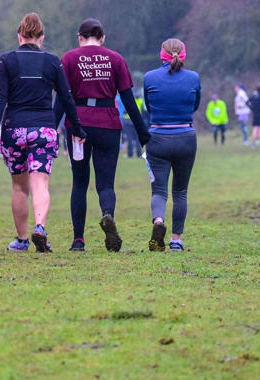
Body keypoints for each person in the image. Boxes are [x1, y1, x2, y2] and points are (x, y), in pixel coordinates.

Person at [0, 12, 86, 253]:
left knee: (20, 187)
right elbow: (66, 97)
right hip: (44, 128)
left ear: (19, 35)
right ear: (42, 37)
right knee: (41, 183)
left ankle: (21, 240)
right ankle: (40, 227)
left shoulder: (6, 60)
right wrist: (77, 126)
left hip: (14, 130)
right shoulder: (52, 61)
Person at [55, 18, 149, 252]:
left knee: (79, 182)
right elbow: (128, 99)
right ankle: (107, 214)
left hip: (78, 125)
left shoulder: (68, 59)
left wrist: (49, 127)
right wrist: (142, 133)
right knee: (106, 184)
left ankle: (78, 240)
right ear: (103, 37)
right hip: (108, 123)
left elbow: (62, 99)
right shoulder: (116, 59)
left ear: (79, 37)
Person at [143, 38, 200, 252]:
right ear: (183, 55)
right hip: (185, 136)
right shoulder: (193, 78)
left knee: (159, 190)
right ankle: (176, 240)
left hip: (157, 136)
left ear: (162, 55)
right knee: (180, 192)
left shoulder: (149, 77)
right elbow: (195, 105)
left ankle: (158, 221)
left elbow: (149, 107)